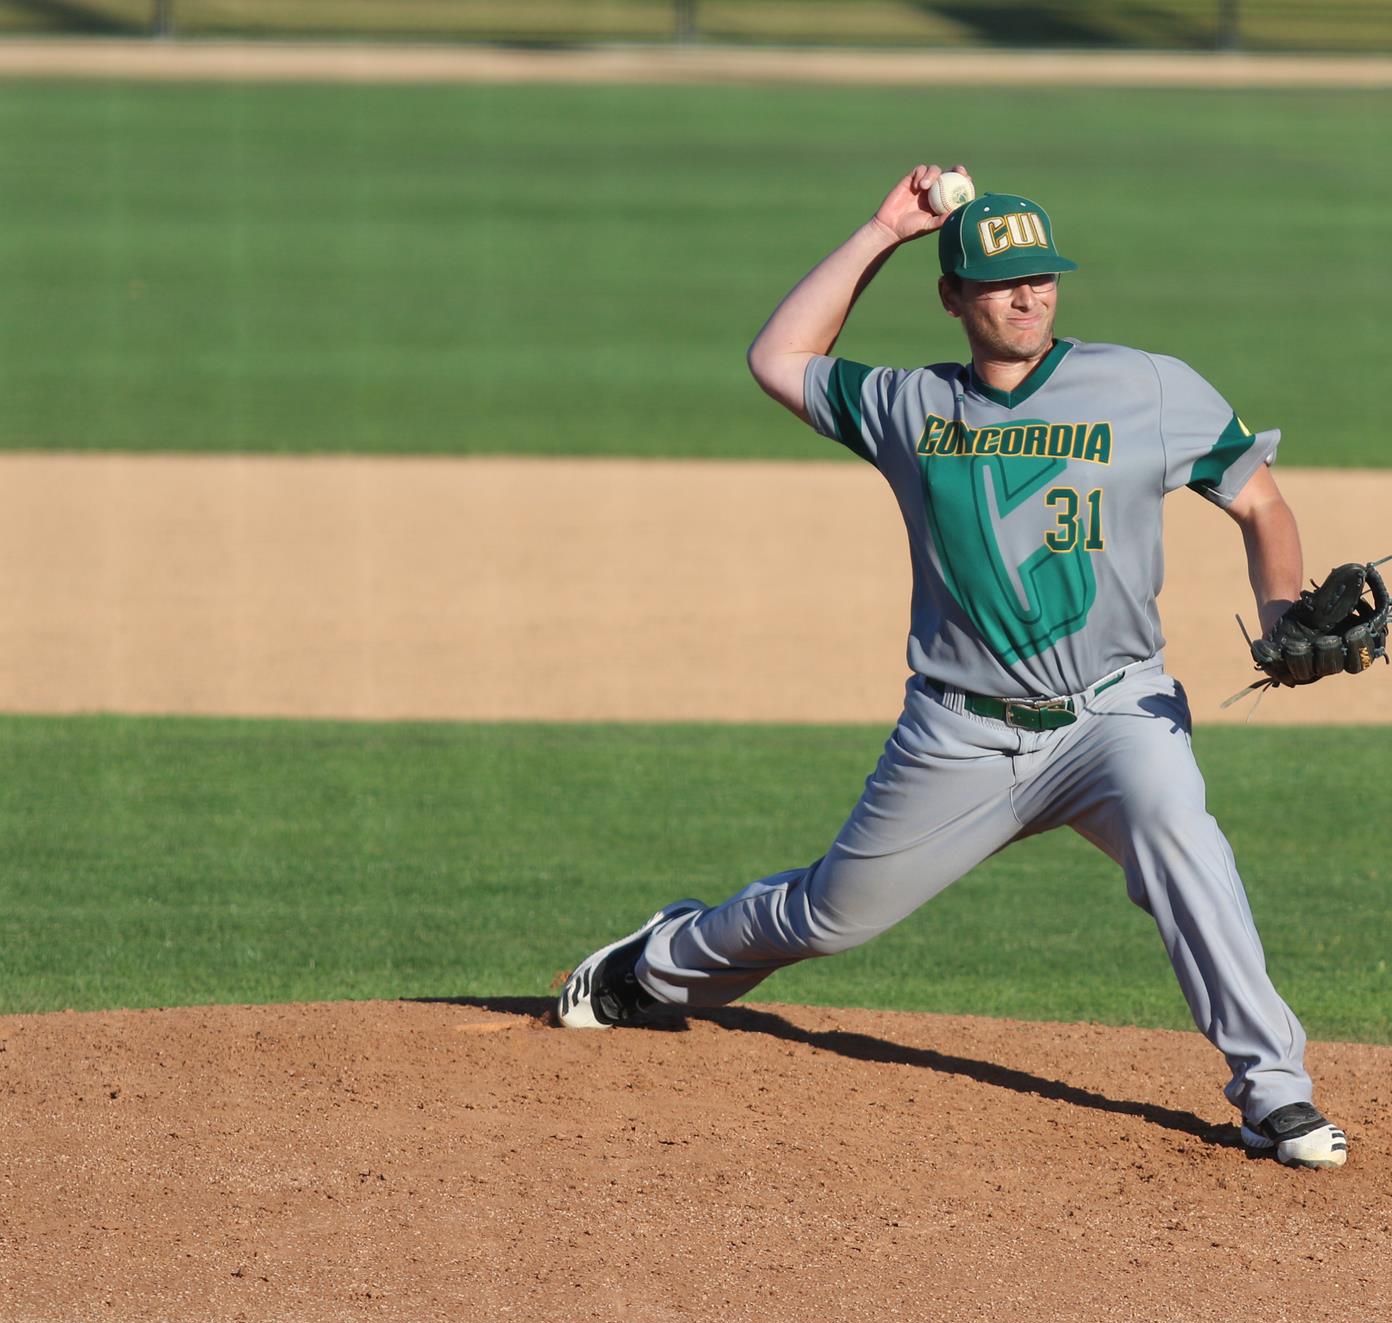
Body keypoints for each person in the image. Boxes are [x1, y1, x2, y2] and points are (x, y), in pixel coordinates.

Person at [556, 165, 1347, 1169]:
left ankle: (1274, 1092)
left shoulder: (1148, 386)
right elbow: (777, 356)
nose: (1028, 297)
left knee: (1179, 835)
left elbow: (1259, 502)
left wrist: (1283, 609)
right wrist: (883, 228)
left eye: (1042, 278)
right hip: (958, 732)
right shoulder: (907, 405)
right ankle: (660, 960)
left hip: (1117, 715)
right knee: (828, 915)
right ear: (952, 297)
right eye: (1001, 282)